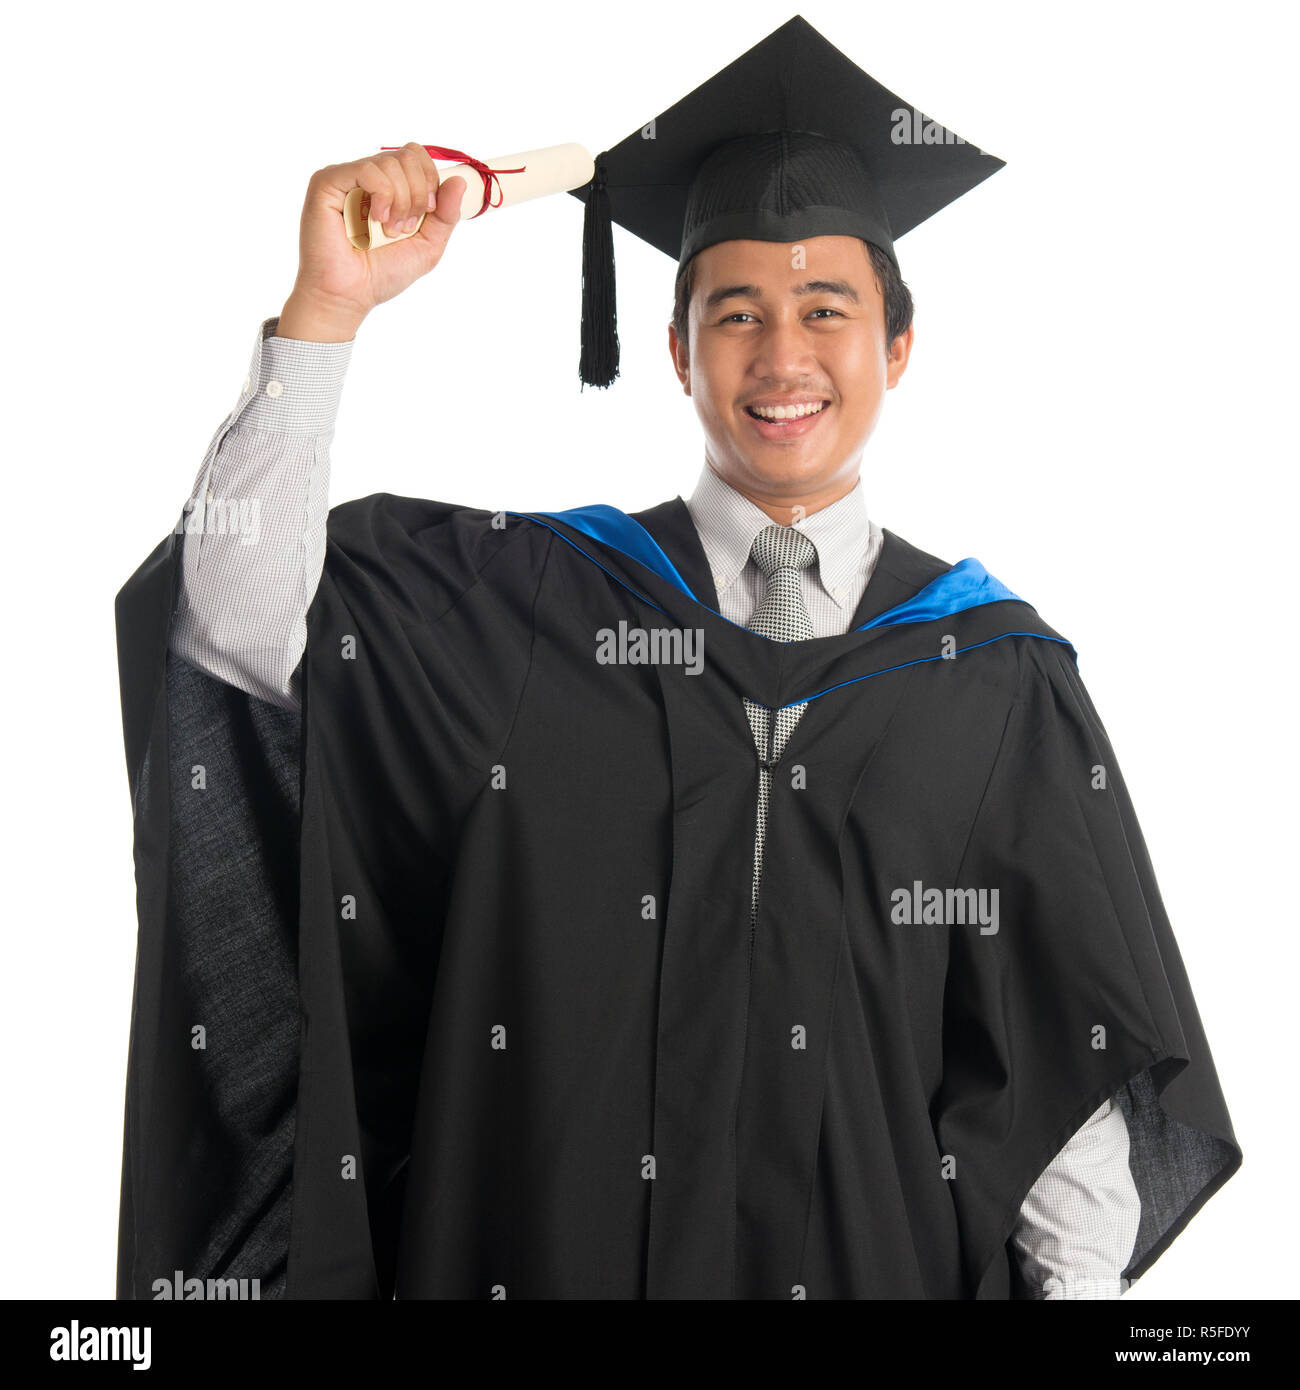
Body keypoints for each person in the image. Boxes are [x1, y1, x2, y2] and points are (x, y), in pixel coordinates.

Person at [114, 16, 1240, 1300]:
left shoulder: (990, 678)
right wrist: (325, 314)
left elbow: (1065, 1092)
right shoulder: (522, 612)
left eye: (827, 309)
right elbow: (235, 629)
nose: (782, 357)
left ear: (898, 348)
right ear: (675, 352)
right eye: (734, 312)